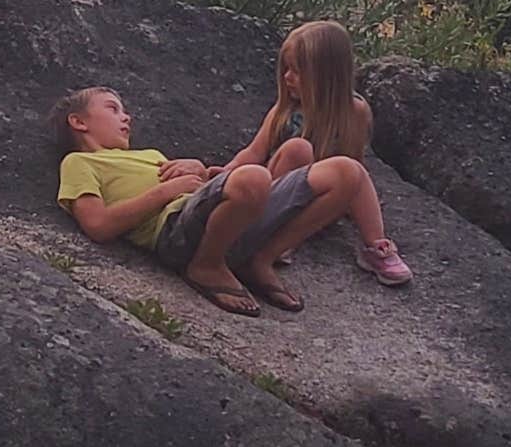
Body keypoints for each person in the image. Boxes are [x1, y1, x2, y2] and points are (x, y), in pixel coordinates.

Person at [51, 84, 409, 320]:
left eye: (124, 110)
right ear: (79, 122)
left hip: (225, 217)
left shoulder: (150, 154)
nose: (126, 116)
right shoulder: (80, 163)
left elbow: (207, 189)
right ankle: (206, 266)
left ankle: (262, 259)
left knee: (344, 171)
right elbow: (97, 226)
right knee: (253, 178)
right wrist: (163, 193)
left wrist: (200, 169)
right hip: (176, 232)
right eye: (113, 109)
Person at [215, 19, 413, 295]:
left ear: (326, 75)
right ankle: (276, 233)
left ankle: (376, 246)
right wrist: (226, 175)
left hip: (322, 196)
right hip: (279, 194)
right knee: (298, 149)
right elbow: (254, 152)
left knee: (356, 172)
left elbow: (352, 157)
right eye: (286, 69)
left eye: (296, 71)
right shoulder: (285, 111)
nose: (287, 78)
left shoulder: (355, 112)